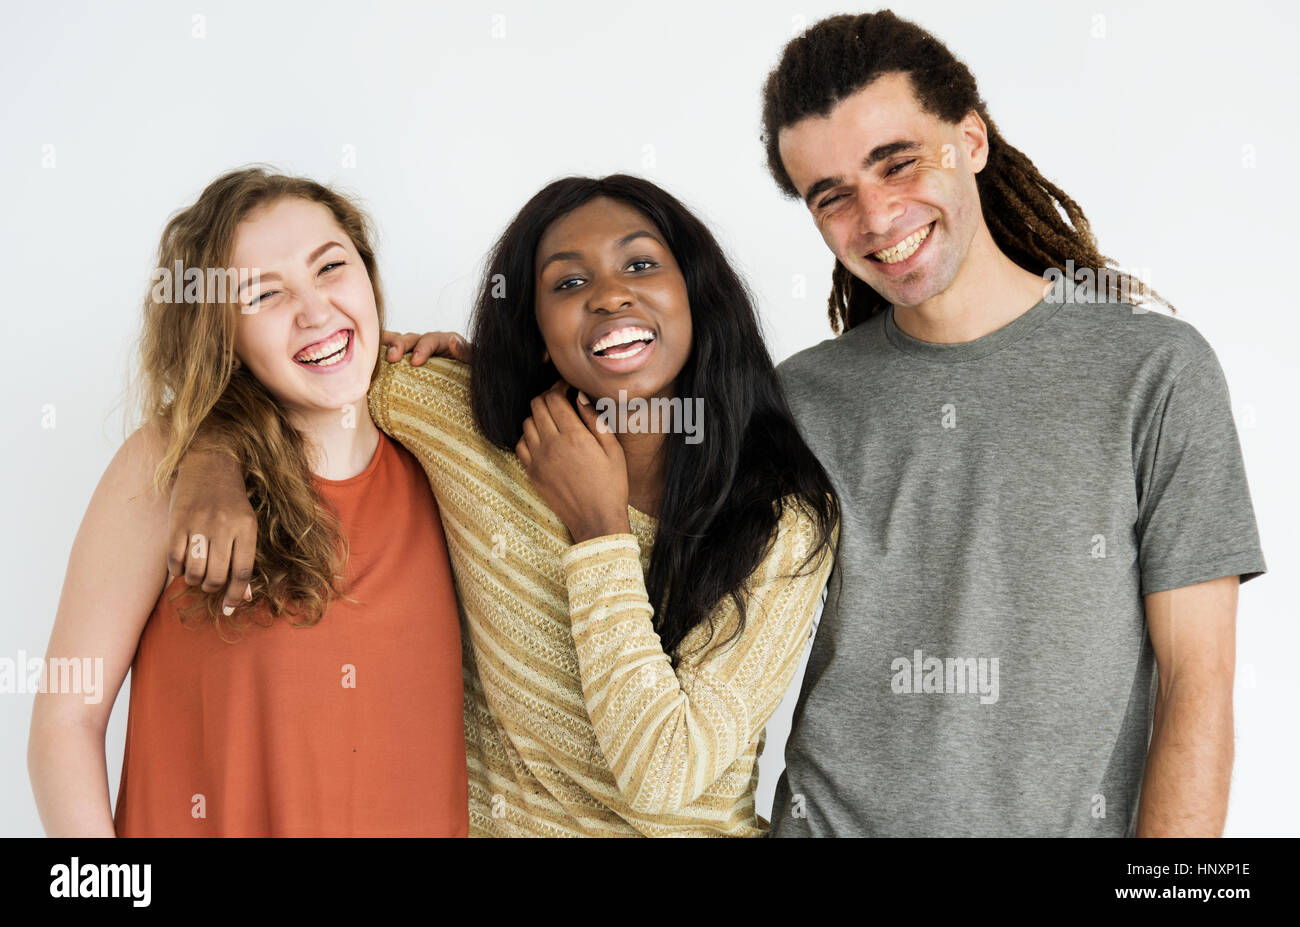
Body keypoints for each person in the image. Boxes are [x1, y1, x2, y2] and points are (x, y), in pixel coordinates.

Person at [167, 174, 841, 836]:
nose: (610, 296)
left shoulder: (781, 521)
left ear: (695, 293)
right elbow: (293, 372)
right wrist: (210, 462)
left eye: (640, 264)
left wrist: (598, 528)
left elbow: (662, 773)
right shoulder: (464, 423)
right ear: (537, 330)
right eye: (568, 282)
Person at [758, 10, 1266, 836]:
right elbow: (657, 557)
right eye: (834, 196)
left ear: (973, 140)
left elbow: (1196, 685)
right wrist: (485, 372)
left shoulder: (1155, 373)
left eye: (898, 164)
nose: (878, 217)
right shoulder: (799, 399)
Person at [27, 167, 468, 837]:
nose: (315, 310)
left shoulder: (441, 453)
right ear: (222, 333)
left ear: (368, 277)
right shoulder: (167, 464)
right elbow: (66, 722)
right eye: (264, 293)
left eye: (329, 268)